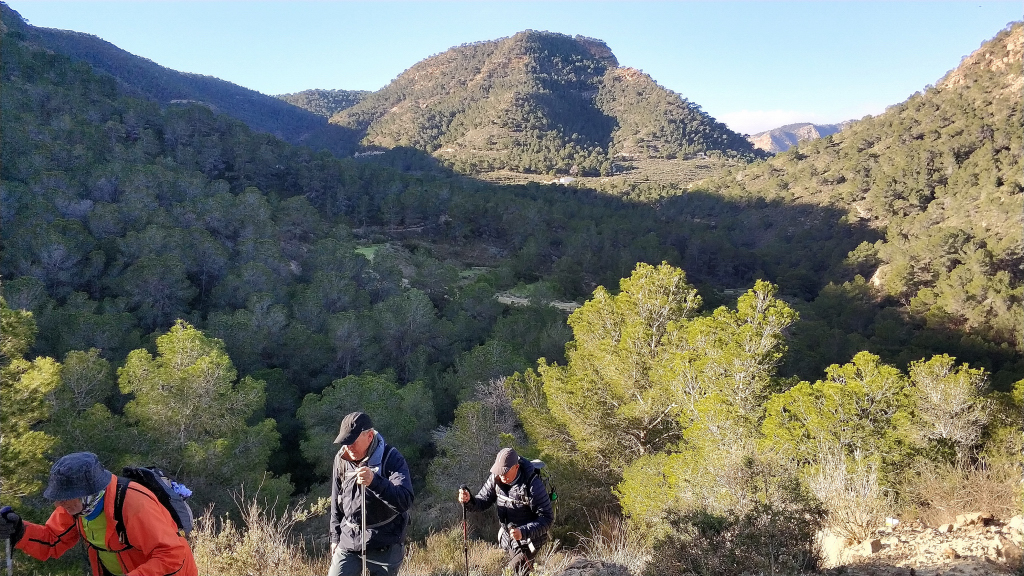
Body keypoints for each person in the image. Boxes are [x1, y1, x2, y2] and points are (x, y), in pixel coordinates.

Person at [0, 452, 197, 576]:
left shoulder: (134, 504)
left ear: (89, 493)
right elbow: (52, 541)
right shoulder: (79, 507)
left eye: (65, 497)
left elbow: (172, 556)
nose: (58, 503)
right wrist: (20, 530)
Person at [328, 411, 414, 576]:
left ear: (369, 436)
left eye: (352, 441)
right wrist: (334, 538)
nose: (348, 447)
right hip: (349, 540)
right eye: (345, 442)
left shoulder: (391, 458)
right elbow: (336, 501)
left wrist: (375, 482)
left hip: (385, 542)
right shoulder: (341, 460)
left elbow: (405, 499)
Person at [458, 447, 553, 576]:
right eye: (499, 471)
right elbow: (482, 502)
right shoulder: (496, 478)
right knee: (521, 572)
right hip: (509, 538)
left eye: (505, 472)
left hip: (530, 539)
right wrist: (469, 500)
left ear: (516, 467)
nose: (501, 475)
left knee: (511, 572)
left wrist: (523, 532)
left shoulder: (533, 485)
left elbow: (547, 518)